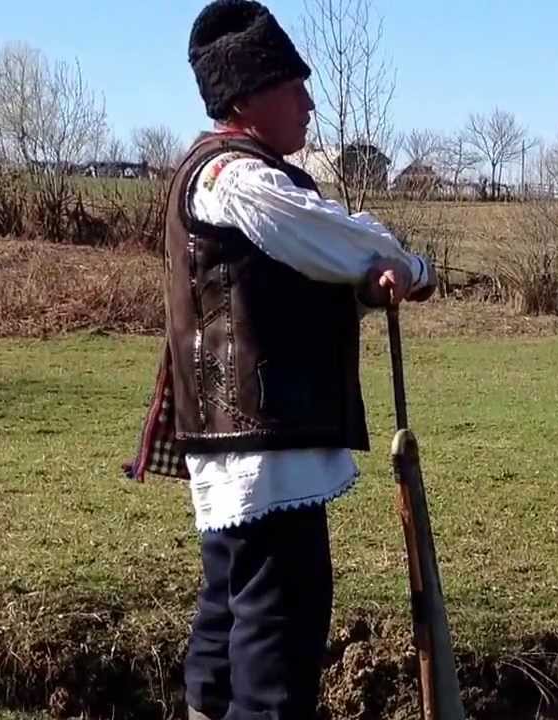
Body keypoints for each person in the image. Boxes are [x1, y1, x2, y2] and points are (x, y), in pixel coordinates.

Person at [124, 1, 436, 718]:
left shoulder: (229, 176)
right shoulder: (237, 178)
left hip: (244, 436)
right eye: (294, 87)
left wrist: (363, 284)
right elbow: (332, 240)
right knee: (278, 630)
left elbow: (291, 280)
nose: (310, 102)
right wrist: (407, 267)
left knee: (231, 616)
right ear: (247, 97)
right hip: (262, 436)